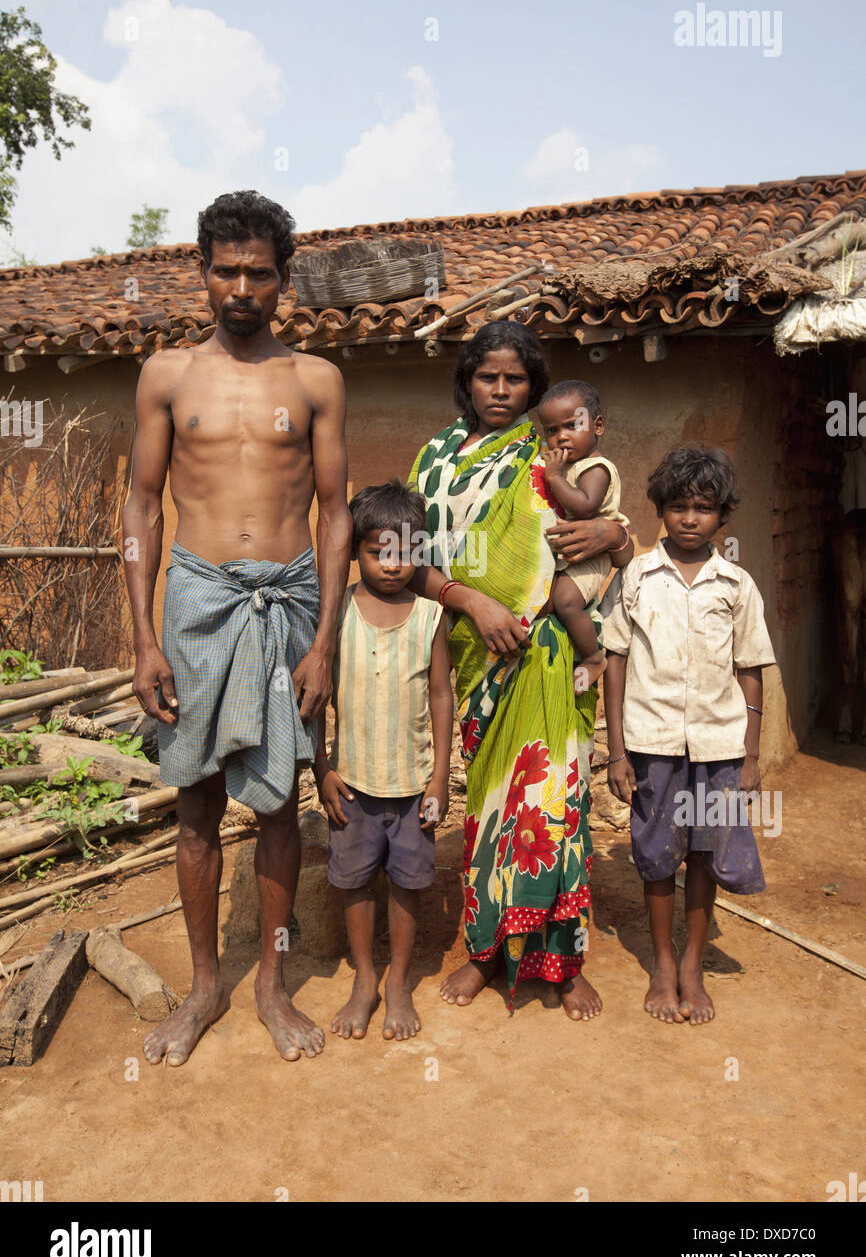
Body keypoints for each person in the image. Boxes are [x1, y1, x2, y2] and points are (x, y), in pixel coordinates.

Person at [122, 189, 355, 1066]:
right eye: (226, 271)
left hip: (289, 601)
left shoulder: (317, 381)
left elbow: (336, 514)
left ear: (285, 278)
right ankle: (204, 987)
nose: (242, 287)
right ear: (203, 273)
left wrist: (325, 638)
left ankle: (269, 984)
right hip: (197, 602)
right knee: (196, 800)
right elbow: (143, 504)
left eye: (260, 271)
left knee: (279, 805)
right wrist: (143, 638)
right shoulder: (167, 376)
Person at [408, 322, 633, 1016]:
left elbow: (614, 540)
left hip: (550, 653)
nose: (500, 390)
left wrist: (614, 532)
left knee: (554, 806)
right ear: (467, 382)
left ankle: (561, 962)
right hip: (476, 656)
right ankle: (487, 952)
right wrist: (471, 600)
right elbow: (409, 560)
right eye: (487, 377)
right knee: (489, 809)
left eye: (515, 379)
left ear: (534, 388)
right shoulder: (434, 460)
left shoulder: (551, 452)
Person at [603, 445, 776, 1026]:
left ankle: (693, 967)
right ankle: (661, 964)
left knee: (704, 853)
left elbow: (750, 667)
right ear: (661, 510)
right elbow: (616, 660)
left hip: (719, 745)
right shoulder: (637, 578)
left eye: (703, 508)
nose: (690, 518)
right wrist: (619, 752)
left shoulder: (736, 585)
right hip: (651, 743)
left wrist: (750, 754)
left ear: (722, 516)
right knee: (656, 857)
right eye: (679, 507)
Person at [314, 481, 452, 1041]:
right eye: (378, 551)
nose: (392, 565)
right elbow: (315, 694)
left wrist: (440, 776)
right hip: (352, 783)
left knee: (407, 882)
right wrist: (321, 767)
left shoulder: (429, 615)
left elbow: (441, 694)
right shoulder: (336, 611)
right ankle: (364, 979)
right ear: (353, 550)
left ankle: (398, 980)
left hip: (413, 783)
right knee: (353, 881)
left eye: (404, 551)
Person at [535, 379, 630, 692]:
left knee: (565, 601)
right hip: (568, 558)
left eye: (573, 425)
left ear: (597, 425)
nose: (561, 437)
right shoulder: (569, 467)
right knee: (544, 602)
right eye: (551, 430)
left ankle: (592, 657)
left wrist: (554, 477)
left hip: (593, 556)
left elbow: (586, 507)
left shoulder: (596, 468)